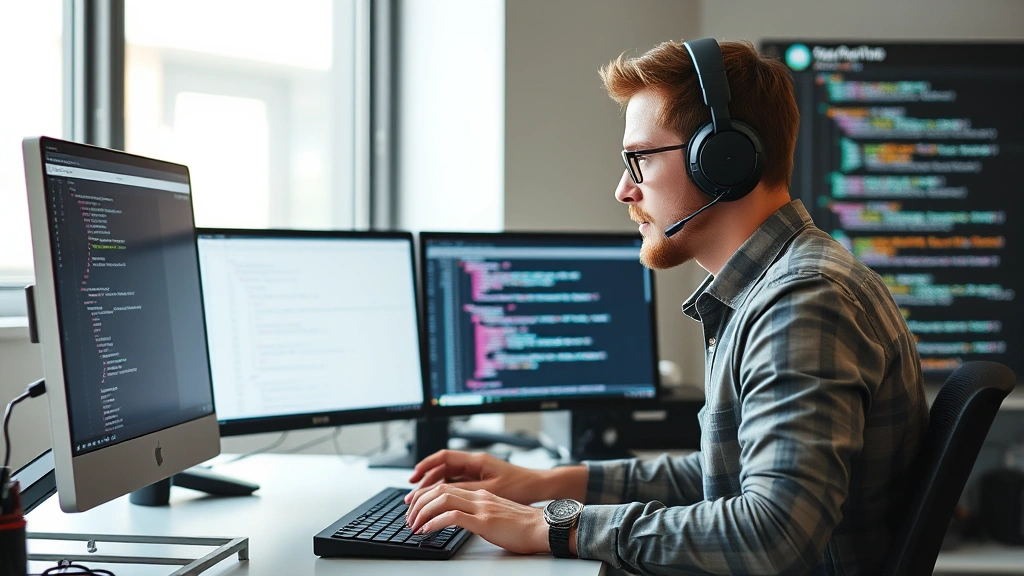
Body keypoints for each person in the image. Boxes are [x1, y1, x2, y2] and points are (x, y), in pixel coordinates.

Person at [402, 38, 929, 575]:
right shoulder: (773, 287)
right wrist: (547, 484)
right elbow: (722, 472)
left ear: (723, 160)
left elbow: (773, 532)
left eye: (641, 159)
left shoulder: (804, 299)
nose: (623, 191)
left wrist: (554, 524)